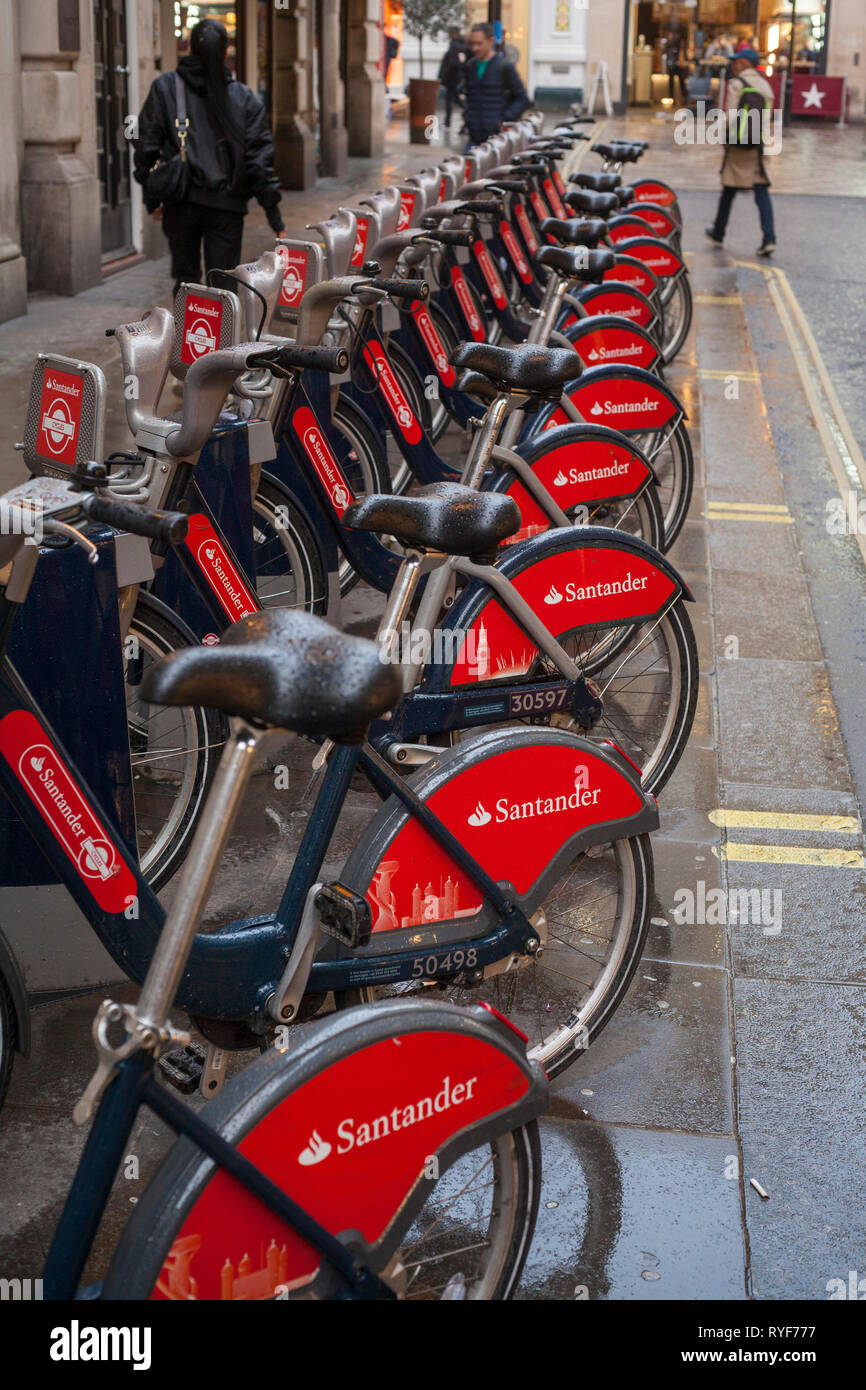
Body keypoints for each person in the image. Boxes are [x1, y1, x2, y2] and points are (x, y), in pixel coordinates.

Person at [133, 18, 284, 295]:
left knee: (186, 280)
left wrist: (152, 197)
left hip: (180, 202)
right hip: (227, 207)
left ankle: (188, 337)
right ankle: (222, 337)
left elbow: (145, 144)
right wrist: (274, 216)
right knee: (224, 284)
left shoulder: (165, 87)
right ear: (225, 52)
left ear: (189, 48)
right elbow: (259, 160)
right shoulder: (243, 97)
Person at [705, 48, 776, 256]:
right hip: (758, 145)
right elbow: (767, 119)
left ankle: (719, 232)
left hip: (738, 145)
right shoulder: (765, 87)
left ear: (744, 63)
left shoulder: (737, 84)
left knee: (729, 186)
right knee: (761, 190)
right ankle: (769, 238)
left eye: (736, 62)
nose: (734, 66)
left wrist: (716, 132)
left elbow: (731, 116)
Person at [462, 22, 530, 150]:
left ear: (491, 41)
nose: (475, 48)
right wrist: (467, 116)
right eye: (472, 44)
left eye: (479, 43)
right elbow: (469, 95)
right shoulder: (470, 66)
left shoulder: (505, 67)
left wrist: (502, 120)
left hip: (497, 141)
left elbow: (522, 99)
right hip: (474, 138)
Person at [438, 28, 469, 129]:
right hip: (456, 78)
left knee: (451, 99)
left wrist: (444, 75)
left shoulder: (455, 46)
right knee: (455, 99)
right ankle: (449, 121)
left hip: (452, 79)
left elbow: (452, 63)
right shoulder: (461, 46)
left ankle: (448, 122)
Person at [664, 30, 690, 102]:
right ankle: (679, 97)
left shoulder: (675, 43)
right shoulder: (673, 43)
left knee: (679, 82)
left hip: (676, 65)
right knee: (678, 82)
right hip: (675, 64)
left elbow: (667, 52)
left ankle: (678, 97)